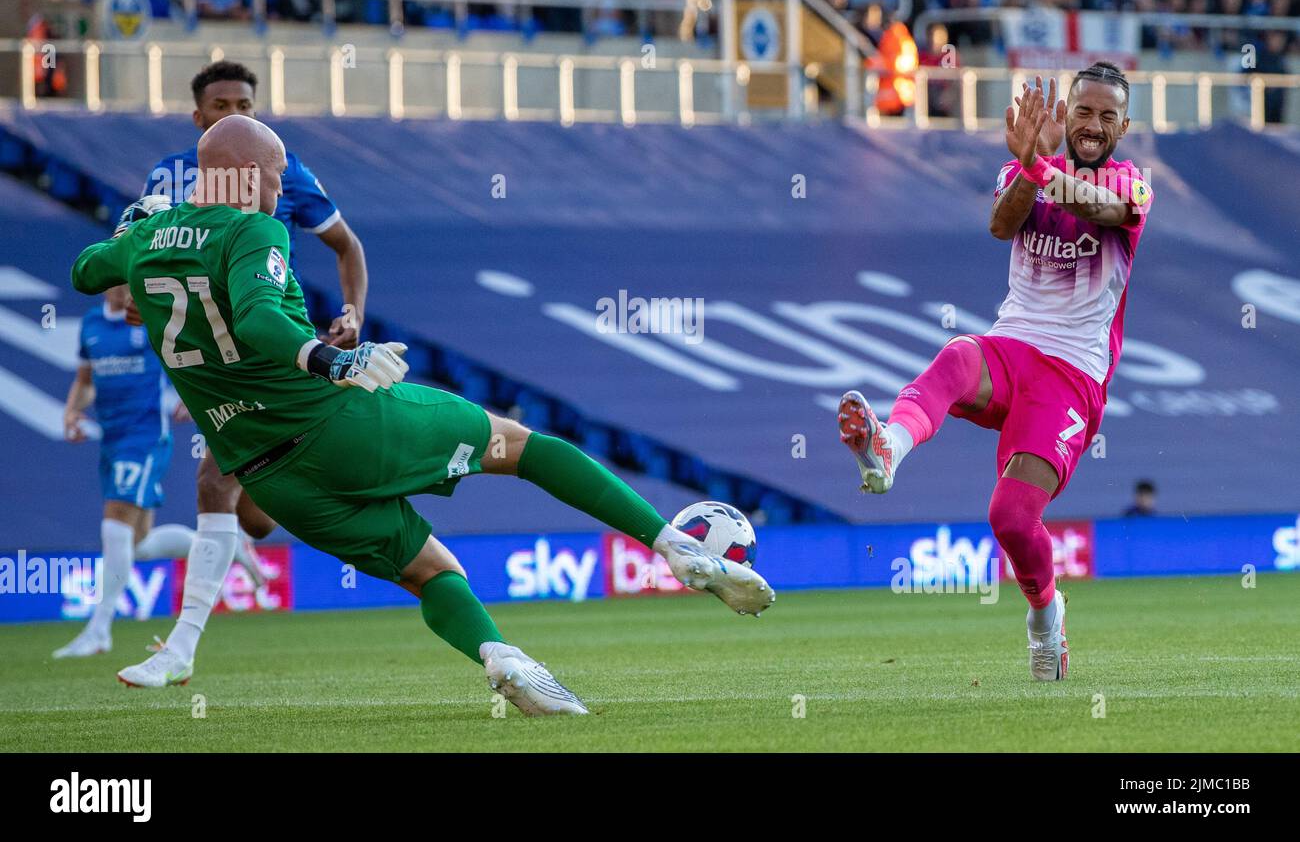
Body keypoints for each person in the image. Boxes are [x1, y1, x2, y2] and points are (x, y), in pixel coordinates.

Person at [73, 116, 774, 712]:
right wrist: (333, 360)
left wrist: (137, 229)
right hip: (338, 423)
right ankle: (673, 546)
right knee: (520, 446)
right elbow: (258, 320)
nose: (281, 188)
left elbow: (85, 271)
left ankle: (501, 657)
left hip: (276, 478)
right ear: (248, 173)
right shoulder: (254, 233)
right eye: (277, 173)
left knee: (431, 574)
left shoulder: (145, 242)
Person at [837, 64, 1155, 682]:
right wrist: (1031, 170)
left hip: (1072, 378)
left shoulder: (1134, 185)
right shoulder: (1025, 168)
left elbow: (1106, 209)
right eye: (1082, 112)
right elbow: (1001, 225)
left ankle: (1046, 618)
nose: (1093, 125)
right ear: (1065, 114)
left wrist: (1042, 170)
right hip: (1012, 346)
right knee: (958, 356)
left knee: (1010, 518)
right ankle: (888, 448)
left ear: (1124, 125)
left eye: (1106, 115)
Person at [133, 60, 370, 670]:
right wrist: (137, 301)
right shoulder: (170, 178)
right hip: (213, 354)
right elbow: (131, 264)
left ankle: (182, 646)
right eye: (221, 106)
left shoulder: (286, 173)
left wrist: (351, 312)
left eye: (245, 105)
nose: (235, 114)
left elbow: (347, 245)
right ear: (198, 119)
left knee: (216, 482)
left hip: (270, 347)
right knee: (258, 519)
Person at [54, 284, 202, 657]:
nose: (125, 287)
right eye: (118, 278)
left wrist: (190, 395)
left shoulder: (150, 319)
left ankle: (99, 630)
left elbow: (186, 359)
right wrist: (73, 410)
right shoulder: (91, 324)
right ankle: (223, 548)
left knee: (112, 527)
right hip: (111, 439)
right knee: (137, 545)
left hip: (146, 436)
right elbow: (87, 381)